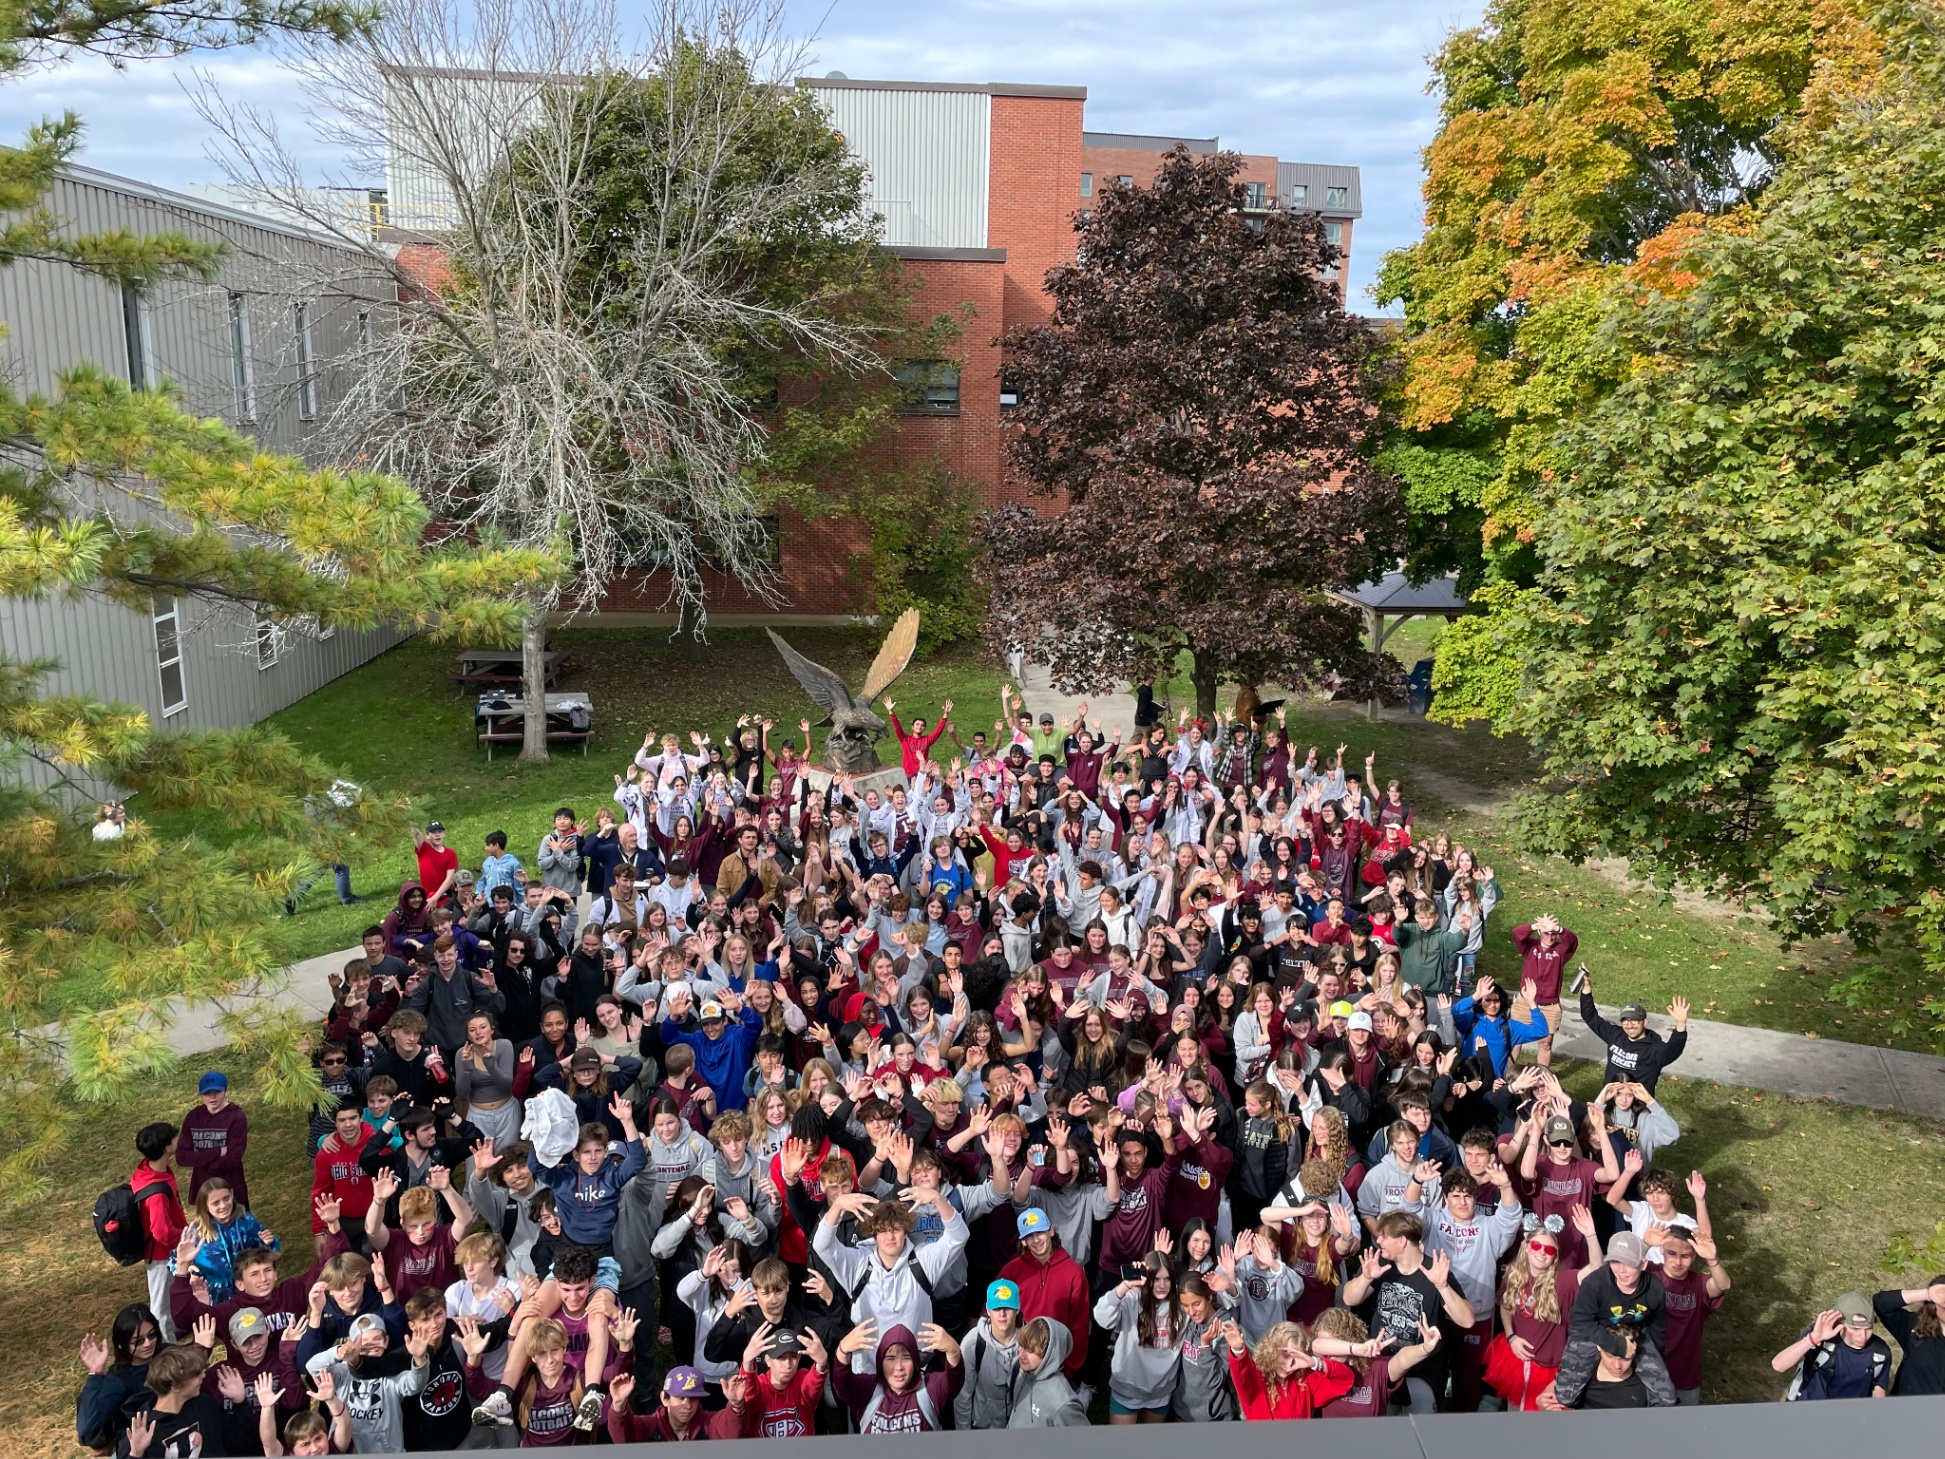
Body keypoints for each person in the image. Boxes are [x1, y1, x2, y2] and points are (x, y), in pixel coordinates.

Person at [1577, 968, 1689, 1094]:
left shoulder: (1655, 1049)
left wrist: (1681, 1024)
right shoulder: (1615, 1035)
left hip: (1637, 1105)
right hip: (1610, 1099)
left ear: (1645, 1022)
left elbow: (1674, 1049)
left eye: (1635, 1020)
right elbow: (1590, 1017)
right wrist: (1586, 989)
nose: (1630, 1025)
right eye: (1625, 1020)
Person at [1223, 1317, 1354, 1419]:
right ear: (1271, 1350)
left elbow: (1344, 1380)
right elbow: (1242, 1374)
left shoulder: (1304, 1380)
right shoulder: (1257, 1379)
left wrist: (1314, 1362)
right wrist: (1238, 1350)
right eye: (1285, 1355)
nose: (1289, 1364)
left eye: (1296, 1357)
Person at [1775, 1293, 1894, 1399]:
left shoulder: (1880, 1353)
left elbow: (1878, 1388)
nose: (1862, 1336)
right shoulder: (1821, 1338)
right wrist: (1813, 1339)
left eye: (1868, 1329)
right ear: (1839, 1323)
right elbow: (1778, 1365)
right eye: (1855, 1329)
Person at [130, 1123, 187, 1343]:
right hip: (163, 1254)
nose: (178, 1141)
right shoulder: (157, 1193)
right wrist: (186, 1235)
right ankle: (166, 1348)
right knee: (160, 1307)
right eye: (174, 1139)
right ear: (167, 1148)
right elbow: (162, 1232)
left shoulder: (150, 1170)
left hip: (166, 1251)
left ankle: (173, 1331)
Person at [956, 1280, 1024, 1430]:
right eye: (996, 1307)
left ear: (1018, 1308)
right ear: (987, 1310)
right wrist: (963, 1436)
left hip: (1019, 1427)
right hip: (982, 1427)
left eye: (1008, 1307)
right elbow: (963, 1395)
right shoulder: (973, 1343)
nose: (1002, 1313)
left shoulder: (1029, 1341)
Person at [177, 1072, 250, 1208]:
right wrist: (217, 1152)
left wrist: (200, 1160)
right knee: (209, 1230)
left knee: (242, 1229)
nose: (212, 1097)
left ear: (226, 1091)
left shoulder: (236, 1116)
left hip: (232, 1190)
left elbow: (232, 1159)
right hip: (204, 1192)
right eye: (207, 1093)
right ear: (200, 1095)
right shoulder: (193, 1117)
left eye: (217, 1091)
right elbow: (182, 1157)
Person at [1007, 1317, 1090, 1427]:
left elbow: (1085, 1440)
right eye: (1021, 1345)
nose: (1021, 1355)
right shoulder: (1022, 1373)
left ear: (1050, 1354)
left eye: (1030, 1351)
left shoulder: (1062, 1403)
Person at [1872, 1277, 1945, 1395]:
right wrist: (1926, 1293)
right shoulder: (1916, 1329)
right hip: (1905, 1409)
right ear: (1933, 1304)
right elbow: (1881, 1303)